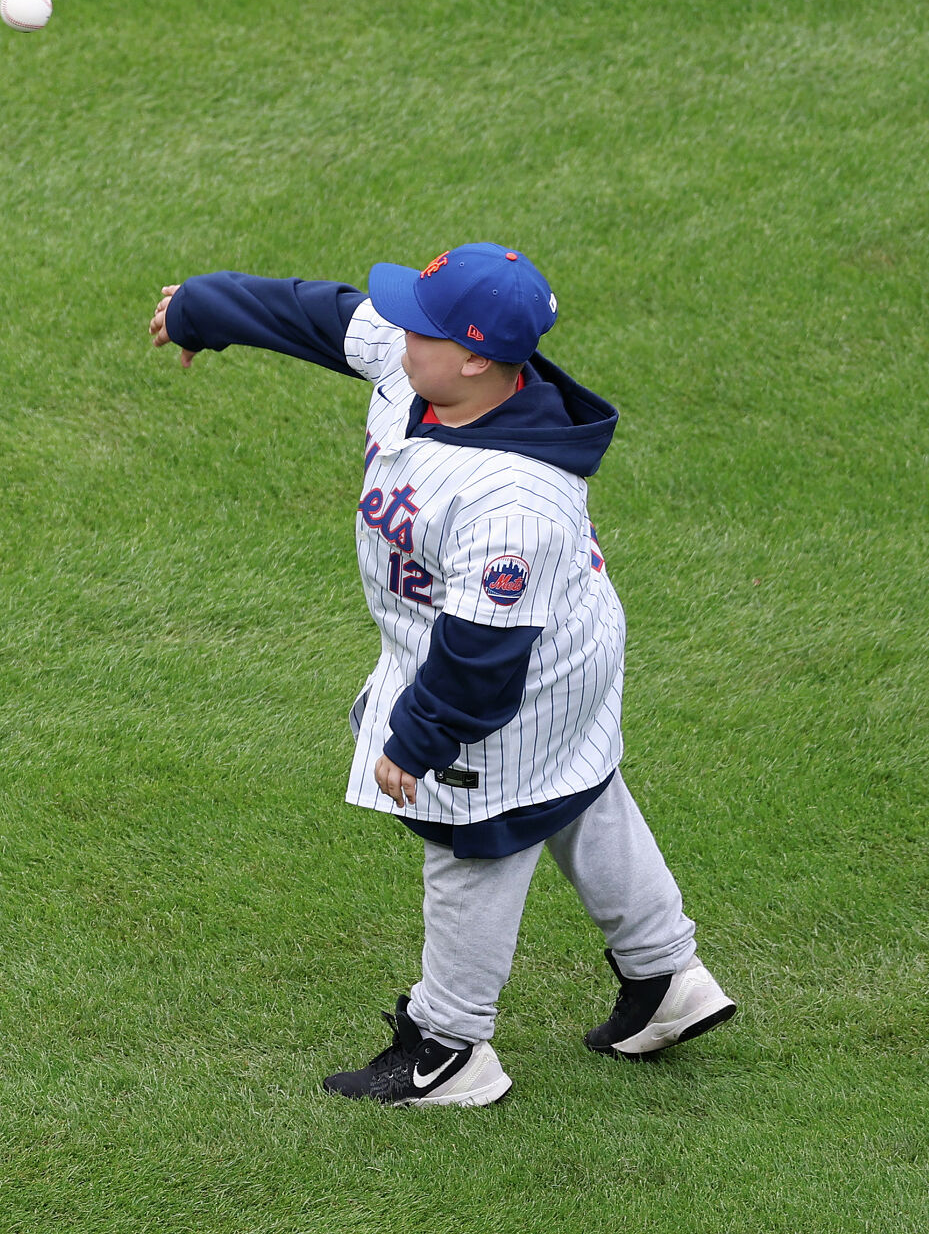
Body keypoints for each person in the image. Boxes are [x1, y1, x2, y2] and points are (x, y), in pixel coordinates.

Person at [147, 244, 736, 1108]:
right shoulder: (431, 368)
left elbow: (481, 661)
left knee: (471, 836)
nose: (398, 326)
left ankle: (451, 1047)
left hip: (519, 670)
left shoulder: (513, 501)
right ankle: (665, 975)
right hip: (562, 642)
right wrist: (203, 306)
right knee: (576, 789)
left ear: (472, 355)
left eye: (421, 319)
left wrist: (418, 740)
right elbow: (321, 313)